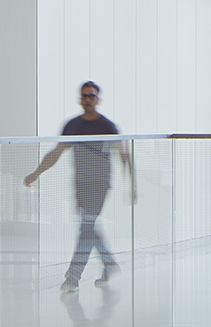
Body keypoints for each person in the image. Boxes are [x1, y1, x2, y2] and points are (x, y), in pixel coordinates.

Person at [25, 82, 133, 292]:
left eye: (92, 96)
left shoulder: (107, 126)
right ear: (80, 99)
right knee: (89, 227)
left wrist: (132, 183)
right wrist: (36, 173)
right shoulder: (73, 125)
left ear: (97, 99)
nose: (88, 99)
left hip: (100, 184)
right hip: (81, 184)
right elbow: (56, 153)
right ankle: (110, 264)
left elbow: (123, 152)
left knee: (86, 227)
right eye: (85, 96)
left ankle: (73, 277)